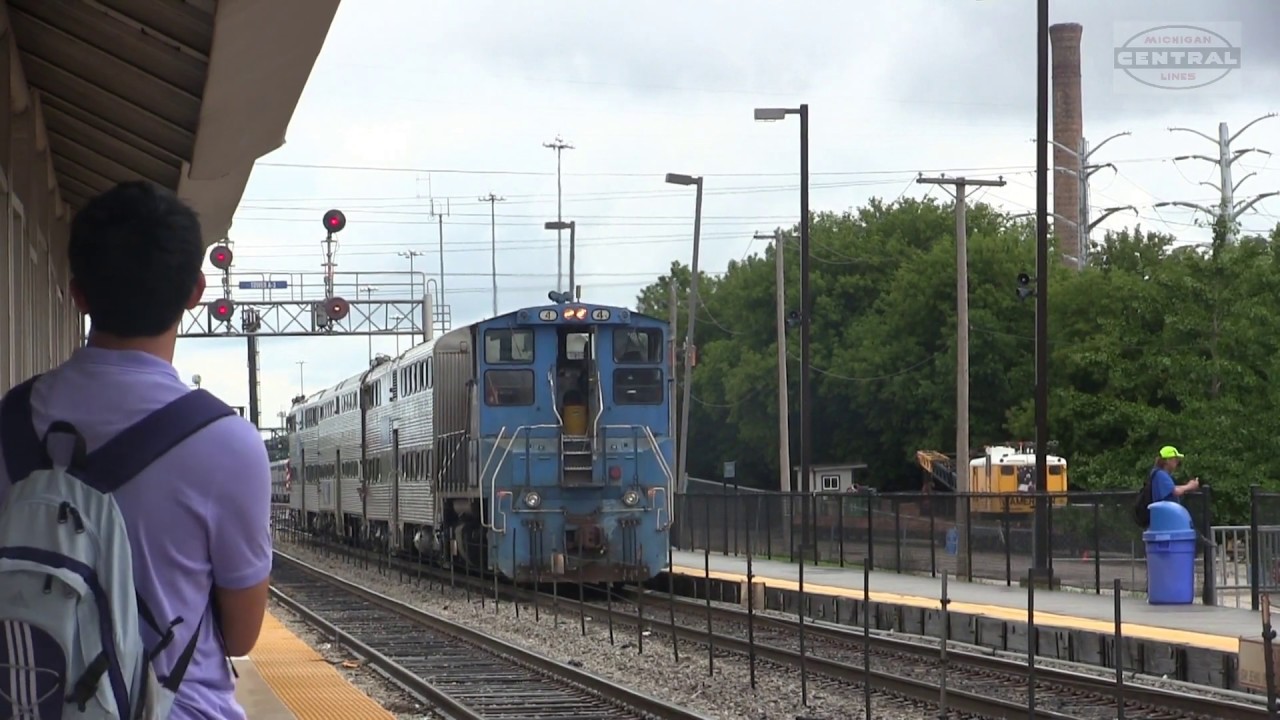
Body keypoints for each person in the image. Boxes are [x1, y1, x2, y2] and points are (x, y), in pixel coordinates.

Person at [0, 181, 273, 720]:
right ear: (194, 292)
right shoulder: (227, 443)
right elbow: (241, 635)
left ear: (77, 295)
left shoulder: (10, 420)